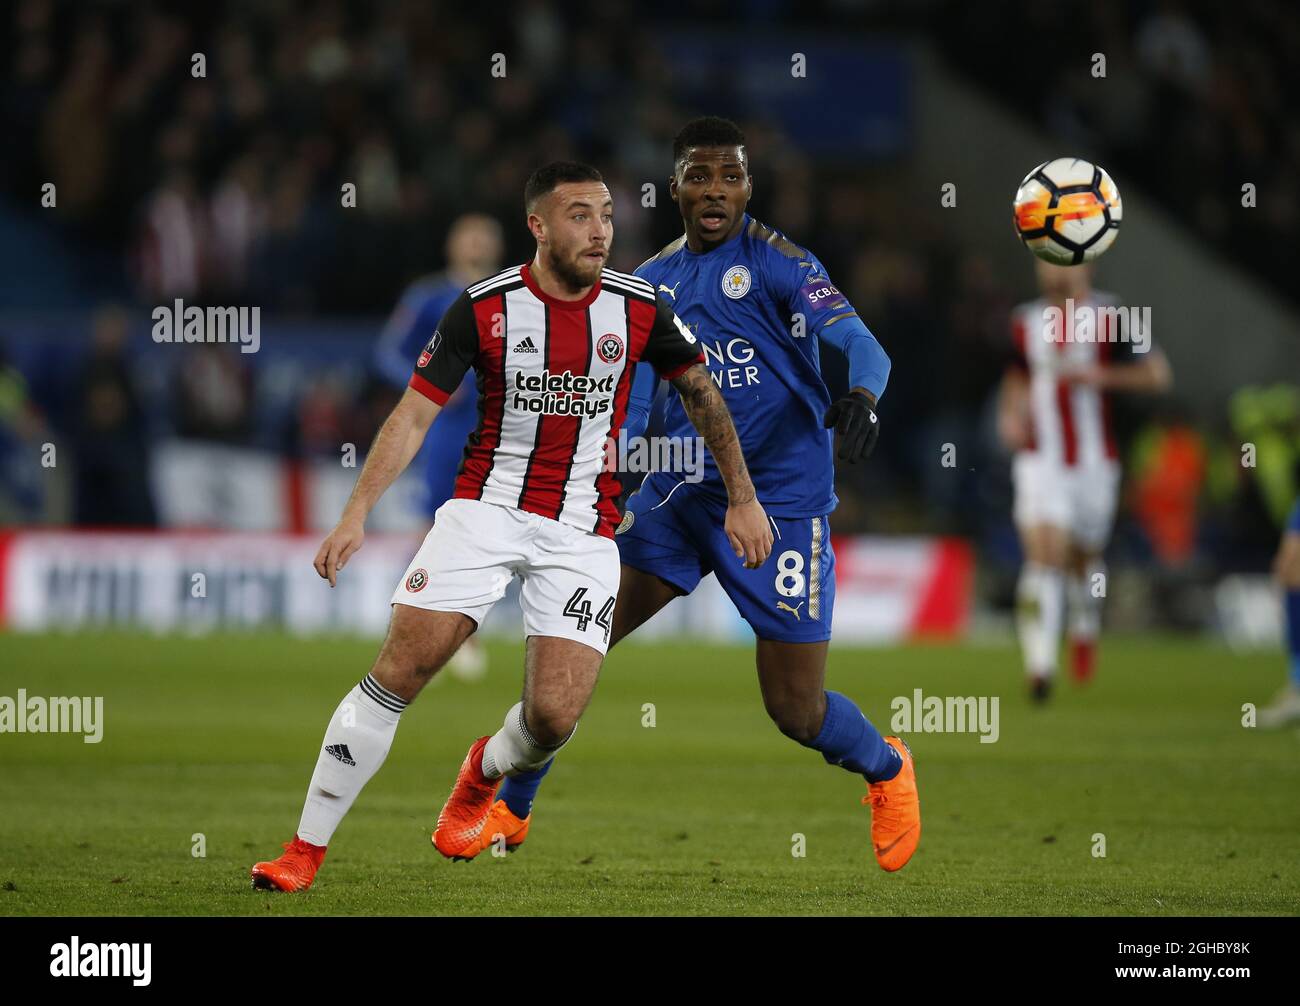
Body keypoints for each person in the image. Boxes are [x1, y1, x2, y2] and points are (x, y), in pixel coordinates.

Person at [249, 161, 772, 891]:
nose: (600, 232)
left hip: (583, 531)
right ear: (538, 226)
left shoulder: (640, 306)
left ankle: (481, 774)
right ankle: (302, 853)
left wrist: (743, 497)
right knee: (399, 671)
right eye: (581, 217)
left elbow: (703, 396)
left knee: (553, 717)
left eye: (607, 216)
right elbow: (414, 412)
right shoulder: (482, 308)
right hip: (485, 511)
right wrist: (354, 513)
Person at [495, 116, 922, 873]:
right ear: (676, 189)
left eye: (729, 176)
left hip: (782, 505)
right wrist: (615, 470)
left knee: (795, 710)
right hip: (682, 491)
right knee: (579, 643)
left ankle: (887, 769)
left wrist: (862, 397)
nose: (715, 190)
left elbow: (865, 344)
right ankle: (511, 804)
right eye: (700, 176)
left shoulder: (781, 262)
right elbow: (631, 395)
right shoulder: (653, 280)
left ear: (748, 187)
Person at [997, 259, 1171, 701]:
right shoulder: (1024, 320)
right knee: (1044, 554)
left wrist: (1101, 376)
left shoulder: (1117, 317)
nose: (1052, 270)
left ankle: (1085, 625)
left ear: (1088, 263)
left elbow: (1158, 375)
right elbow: (1017, 376)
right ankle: (1040, 666)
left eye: (1062, 260)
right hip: (1041, 460)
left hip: (1095, 463)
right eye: (1043, 259)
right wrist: (1010, 416)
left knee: (1083, 559)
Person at [373, 214, 505, 680]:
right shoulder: (428, 297)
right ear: (452, 244)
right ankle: (414, 622)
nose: (476, 245)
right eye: (468, 236)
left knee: (487, 528)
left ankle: (466, 628)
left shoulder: (514, 297)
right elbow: (387, 353)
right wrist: (433, 386)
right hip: (447, 430)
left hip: (501, 432)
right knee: (433, 526)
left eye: (484, 237)